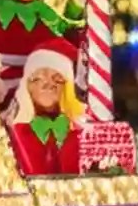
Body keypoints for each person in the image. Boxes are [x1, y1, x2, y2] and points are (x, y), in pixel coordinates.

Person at [8, 39, 84, 175]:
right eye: (38, 77)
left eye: (57, 78)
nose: (48, 83)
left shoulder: (84, 136)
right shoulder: (10, 137)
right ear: (27, 86)